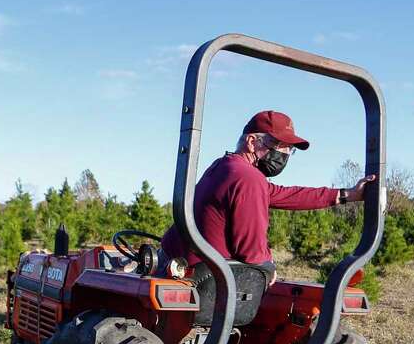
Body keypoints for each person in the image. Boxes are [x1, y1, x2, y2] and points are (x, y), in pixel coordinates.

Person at [160, 109, 376, 284]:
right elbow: (251, 251)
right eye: (278, 146)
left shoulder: (226, 167)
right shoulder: (247, 178)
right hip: (203, 282)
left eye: (289, 150)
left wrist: (347, 195)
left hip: (174, 264)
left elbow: (290, 195)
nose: (283, 155)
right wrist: (267, 265)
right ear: (252, 142)